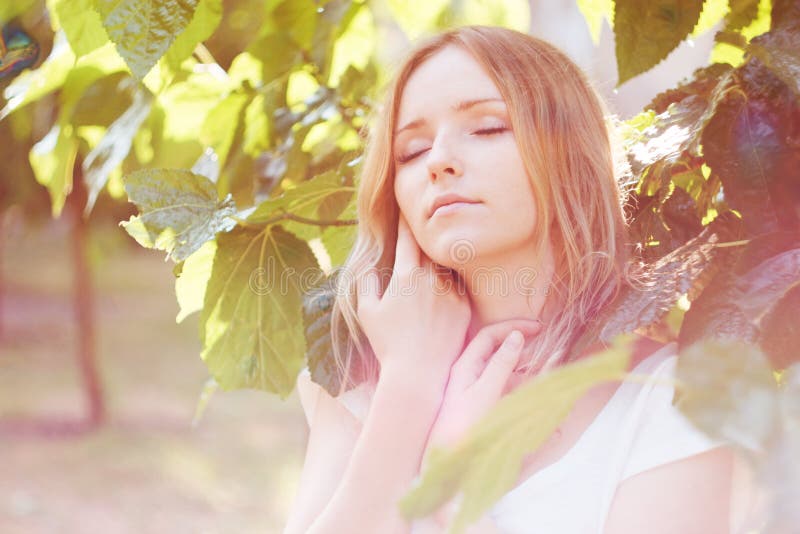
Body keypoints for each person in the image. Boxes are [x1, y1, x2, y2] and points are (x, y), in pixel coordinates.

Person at [283, 25, 749, 533]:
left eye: (487, 128)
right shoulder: (357, 379)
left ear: (573, 153)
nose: (438, 161)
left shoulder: (676, 398)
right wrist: (407, 388)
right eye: (411, 151)